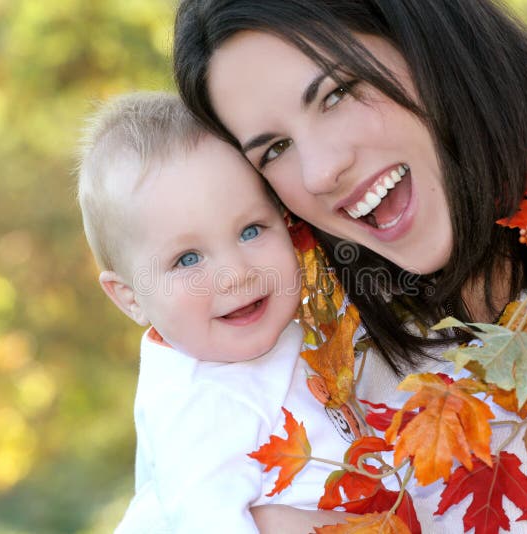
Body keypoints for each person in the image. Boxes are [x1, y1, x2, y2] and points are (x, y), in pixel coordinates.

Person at [172, 1, 527, 532]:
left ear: (430, 41)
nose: (321, 172)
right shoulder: (340, 367)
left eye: (337, 93)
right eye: (276, 148)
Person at [76, 92, 364, 532]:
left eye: (251, 230)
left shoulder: (292, 332)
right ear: (130, 297)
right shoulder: (199, 403)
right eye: (187, 259)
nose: (235, 275)